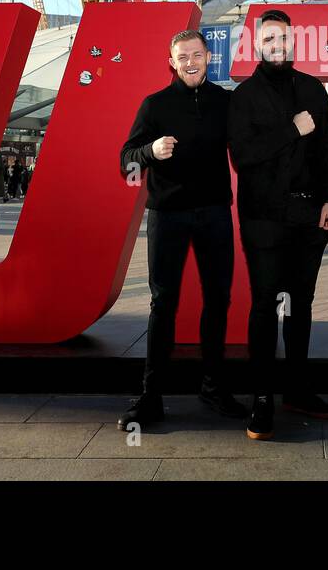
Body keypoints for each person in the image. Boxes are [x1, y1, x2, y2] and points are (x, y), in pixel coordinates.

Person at [115, 29, 245, 430]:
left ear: (209, 57)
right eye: (182, 57)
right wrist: (149, 152)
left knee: (218, 299)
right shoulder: (154, 105)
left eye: (196, 54)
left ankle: (213, 386)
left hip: (214, 214)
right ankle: (151, 396)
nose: (190, 62)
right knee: (163, 303)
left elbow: (249, 147)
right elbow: (126, 161)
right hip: (168, 214)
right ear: (171, 62)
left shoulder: (226, 102)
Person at [227, 8, 328, 441]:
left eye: (284, 39)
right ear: (257, 44)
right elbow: (243, 156)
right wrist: (292, 130)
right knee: (264, 307)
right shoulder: (244, 95)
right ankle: (262, 399)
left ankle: (297, 389)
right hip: (263, 219)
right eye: (269, 39)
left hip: (309, 218)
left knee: (300, 305)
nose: (277, 46)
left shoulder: (313, 89)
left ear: (294, 42)